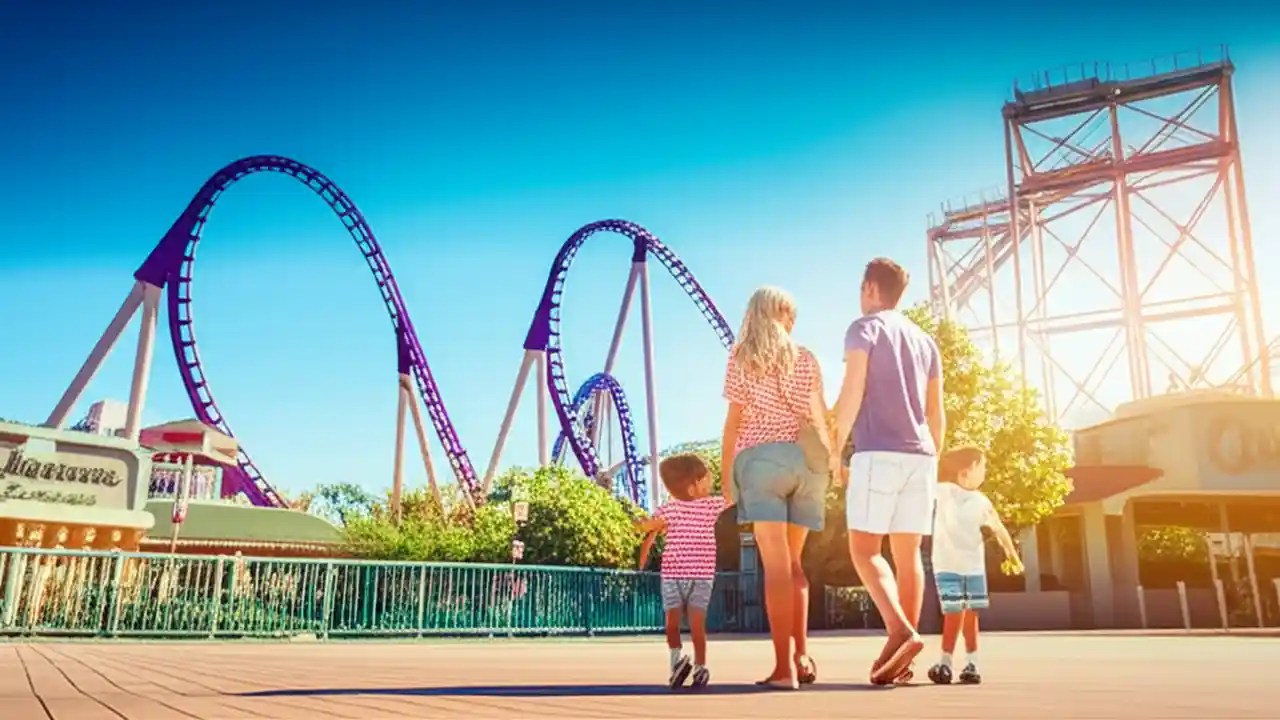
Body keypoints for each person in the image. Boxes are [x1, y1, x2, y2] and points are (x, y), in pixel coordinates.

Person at [830, 257, 945, 685]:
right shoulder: (925, 341)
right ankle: (902, 656)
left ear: (869, 288)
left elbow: (852, 391)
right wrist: (932, 456)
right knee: (908, 554)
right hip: (922, 455)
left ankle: (901, 631)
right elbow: (937, 413)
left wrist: (835, 450)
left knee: (864, 550)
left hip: (877, 452)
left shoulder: (863, 328)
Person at [721, 286, 834, 690]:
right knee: (796, 564)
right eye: (790, 315)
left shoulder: (741, 357)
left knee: (777, 567)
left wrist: (726, 475)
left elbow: (734, 423)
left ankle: (784, 669)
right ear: (780, 315)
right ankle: (802, 654)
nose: (792, 323)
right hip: (806, 464)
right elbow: (821, 419)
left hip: (763, 463)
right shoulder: (807, 358)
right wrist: (833, 462)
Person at [927, 445, 1023, 685]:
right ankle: (946, 661)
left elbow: (998, 527)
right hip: (947, 565)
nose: (984, 472)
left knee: (971, 615)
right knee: (953, 611)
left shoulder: (982, 501)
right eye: (982, 467)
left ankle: (972, 663)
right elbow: (924, 477)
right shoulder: (943, 491)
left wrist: (1012, 555)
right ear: (966, 470)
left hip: (973, 567)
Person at [635, 453, 727, 689]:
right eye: (706, 478)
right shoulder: (669, 510)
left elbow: (733, 497)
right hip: (673, 574)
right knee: (672, 622)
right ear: (692, 486)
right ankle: (676, 664)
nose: (711, 482)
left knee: (697, 624)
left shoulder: (711, 506)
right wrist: (641, 526)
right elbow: (649, 528)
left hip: (701, 575)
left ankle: (700, 667)